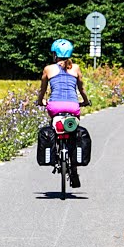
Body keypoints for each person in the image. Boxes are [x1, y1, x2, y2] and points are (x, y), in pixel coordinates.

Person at [37, 39, 90, 187]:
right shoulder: (76, 68)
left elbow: (42, 90)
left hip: (54, 106)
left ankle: (55, 153)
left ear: (55, 55)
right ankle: (73, 168)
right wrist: (85, 101)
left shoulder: (48, 69)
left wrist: (40, 101)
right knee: (73, 133)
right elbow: (81, 89)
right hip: (73, 106)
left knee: (54, 126)